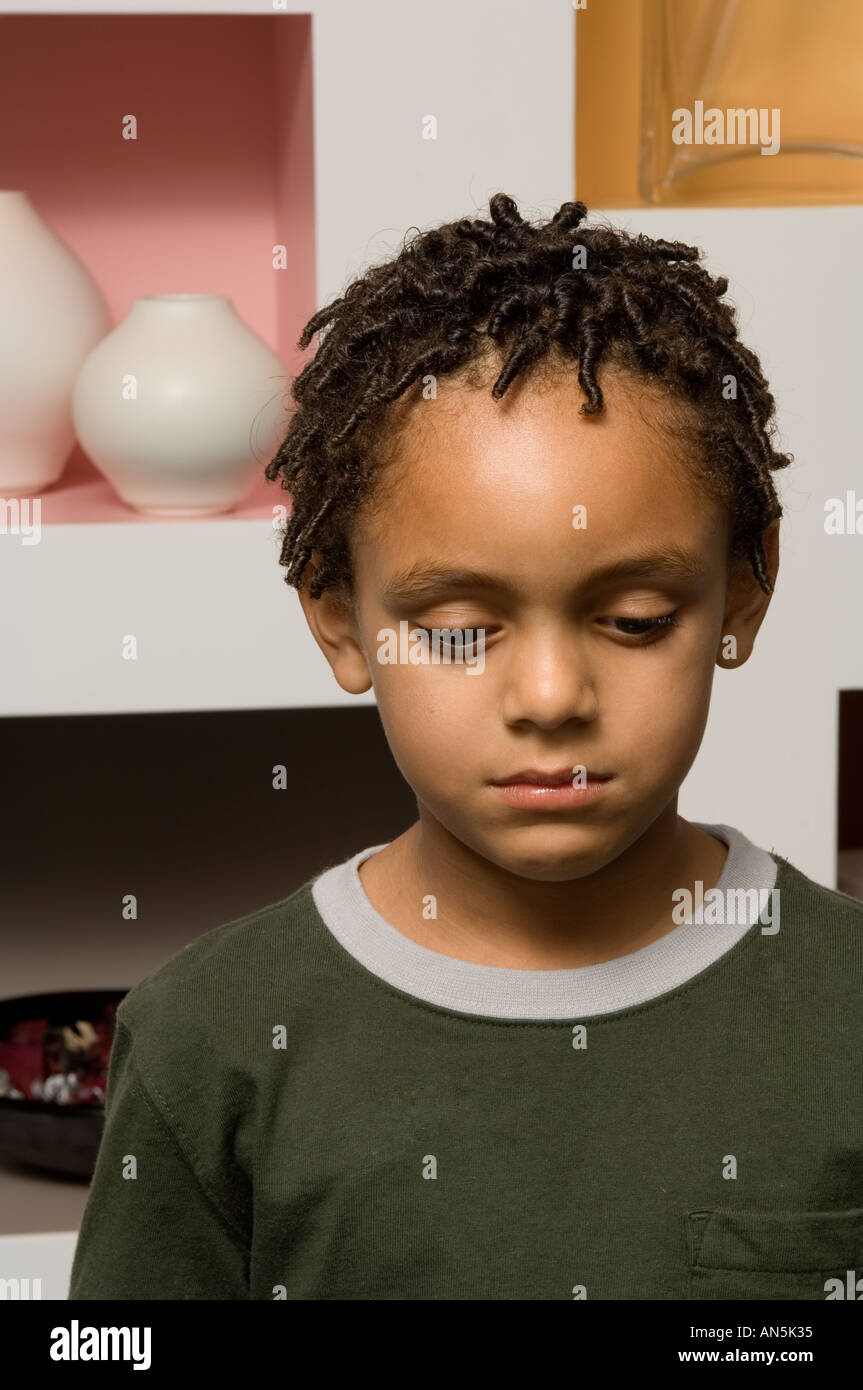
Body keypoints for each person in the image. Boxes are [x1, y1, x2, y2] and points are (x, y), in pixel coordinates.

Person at [69, 194, 863, 1301]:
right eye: (455, 630)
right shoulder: (209, 1046)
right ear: (338, 615)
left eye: (632, 618)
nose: (548, 696)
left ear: (743, 587)